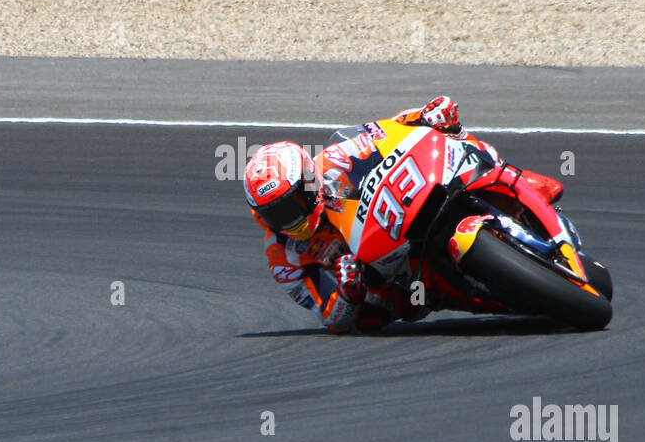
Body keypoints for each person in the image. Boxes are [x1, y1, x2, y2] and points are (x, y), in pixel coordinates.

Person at [242, 97, 564, 333]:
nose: (292, 218)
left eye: (295, 201)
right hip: (395, 279)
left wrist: (427, 114)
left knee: (463, 146)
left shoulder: (336, 157)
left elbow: (391, 130)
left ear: (309, 180)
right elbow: (328, 315)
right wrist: (347, 292)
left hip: (405, 205)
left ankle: (514, 190)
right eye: (277, 214)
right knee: (374, 318)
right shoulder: (282, 258)